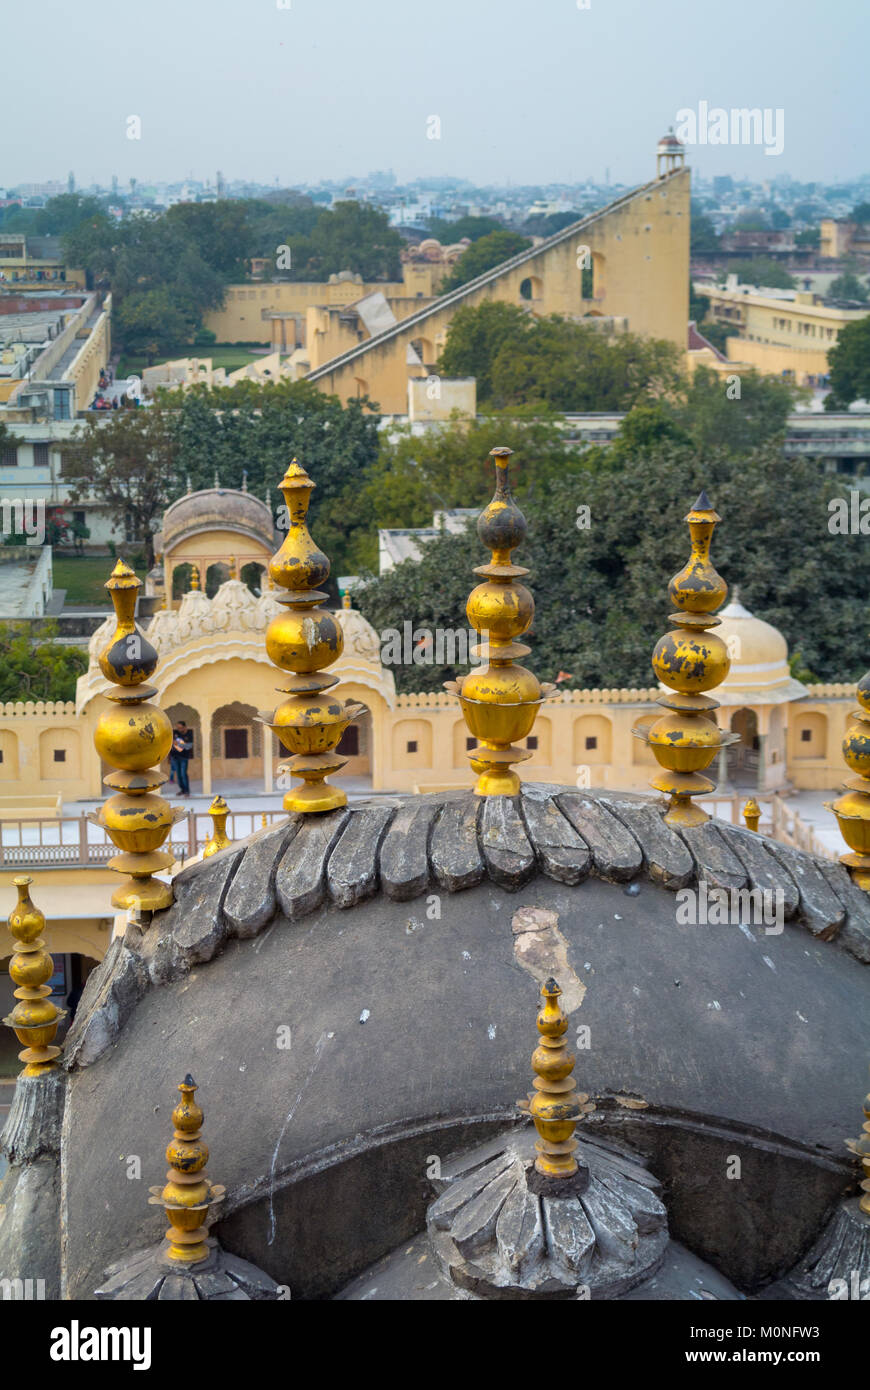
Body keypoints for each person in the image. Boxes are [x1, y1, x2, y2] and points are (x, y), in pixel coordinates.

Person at [171, 721, 194, 797]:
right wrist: (177, 744)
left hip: (184, 758)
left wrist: (178, 744)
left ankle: (187, 791)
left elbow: (189, 746)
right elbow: (171, 742)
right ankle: (182, 790)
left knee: (183, 774)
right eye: (178, 727)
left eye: (180, 728)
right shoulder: (175, 733)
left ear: (185, 727)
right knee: (178, 775)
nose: (179, 729)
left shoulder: (189, 734)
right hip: (175, 757)